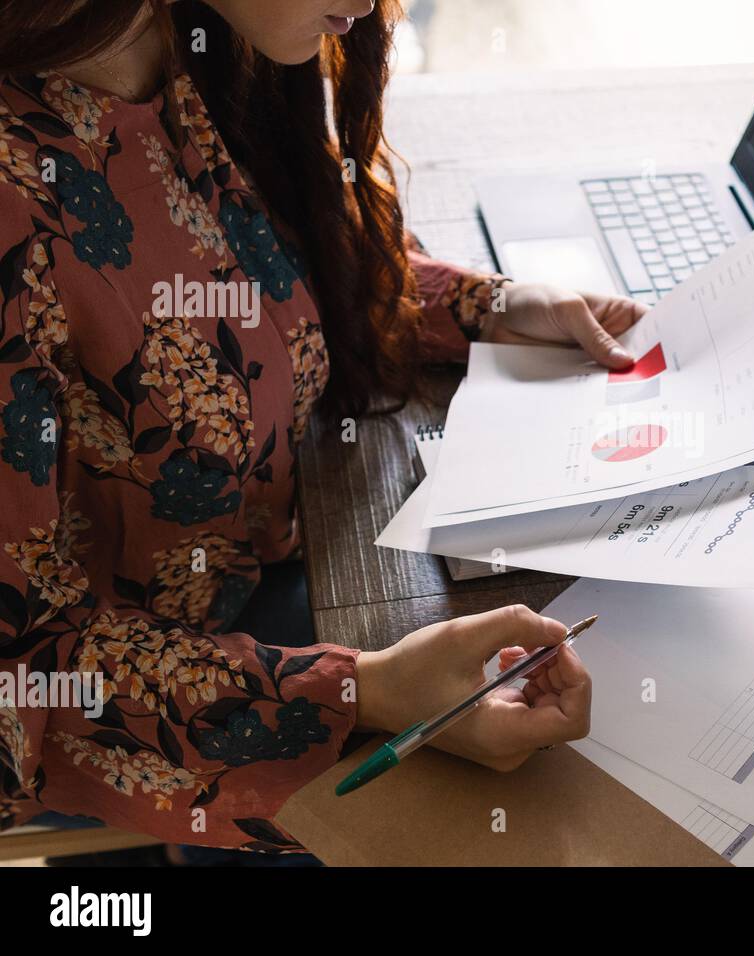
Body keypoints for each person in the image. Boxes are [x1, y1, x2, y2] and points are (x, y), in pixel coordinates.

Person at [0, 0, 641, 852]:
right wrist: (363, 693)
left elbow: (252, 279)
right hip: (140, 718)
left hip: (274, 580)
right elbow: (27, 679)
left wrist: (485, 303)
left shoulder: (179, 37)